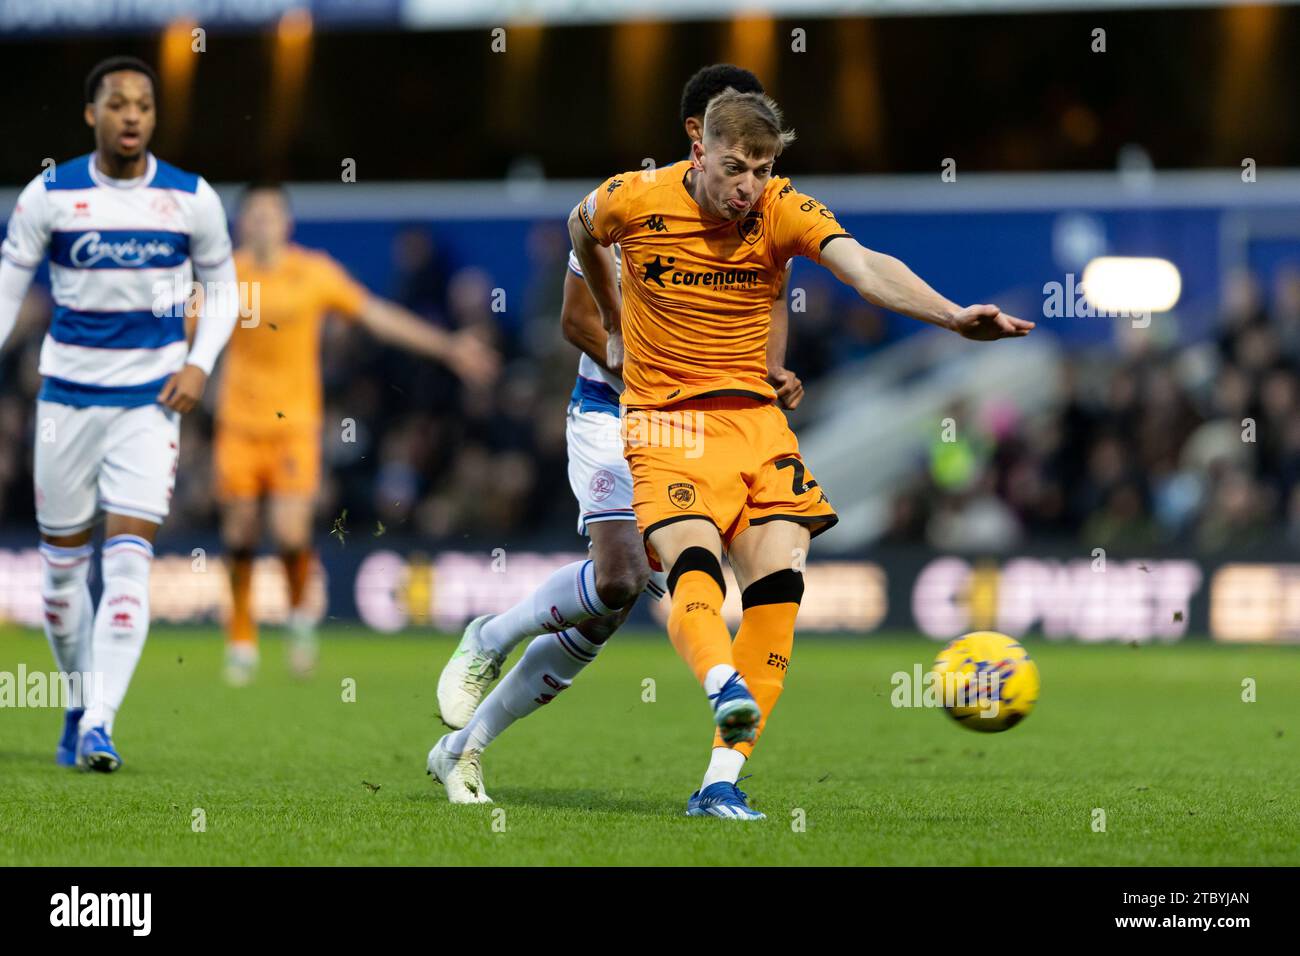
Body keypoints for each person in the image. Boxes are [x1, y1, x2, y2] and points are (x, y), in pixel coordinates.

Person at [567, 88, 1034, 819]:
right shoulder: (635, 197)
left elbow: (865, 268)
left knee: (778, 586)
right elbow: (580, 226)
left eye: (761, 167)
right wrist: (616, 319)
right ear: (698, 152)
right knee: (695, 566)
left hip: (755, 426)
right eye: (734, 166)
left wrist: (951, 317)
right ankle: (724, 685)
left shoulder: (782, 207)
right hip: (665, 425)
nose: (747, 184)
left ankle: (720, 780)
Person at [428, 65, 803, 805]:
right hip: (611, 412)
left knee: (604, 614)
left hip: (701, 430)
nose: (749, 173)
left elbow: (773, 294)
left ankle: (461, 751)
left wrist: (772, 370)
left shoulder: (756, 214)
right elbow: (574, 318)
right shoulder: (631, 208)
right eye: (730, 143)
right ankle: (490, 636)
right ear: (696, 137)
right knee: (621, 574)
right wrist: (624, 354)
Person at [0, 56, 241, 771]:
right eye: (117, 103)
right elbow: (9, 288)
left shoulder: (191, 199)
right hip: (65, 402)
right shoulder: (51, 194)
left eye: (143, 104)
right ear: (91, 114)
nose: (131, 114)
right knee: (61, 580)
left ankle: (100, 722)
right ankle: (78, 704)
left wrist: (200, 363)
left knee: (129, 562)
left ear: (154, 116)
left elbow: (224, 291)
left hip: (149, 403)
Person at [216, 183, 498, 685]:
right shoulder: (225, 277)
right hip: (238, 424)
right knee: (238, 531)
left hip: (294, 426)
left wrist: (448, 347)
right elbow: (183, 336)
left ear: (286, 223)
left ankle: (300, 620)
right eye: (255, 215)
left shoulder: (313, 273)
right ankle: (241, 637)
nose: (263, 223)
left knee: (289, 533)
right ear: (242, 225)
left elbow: (377, 316)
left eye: (272, 214)